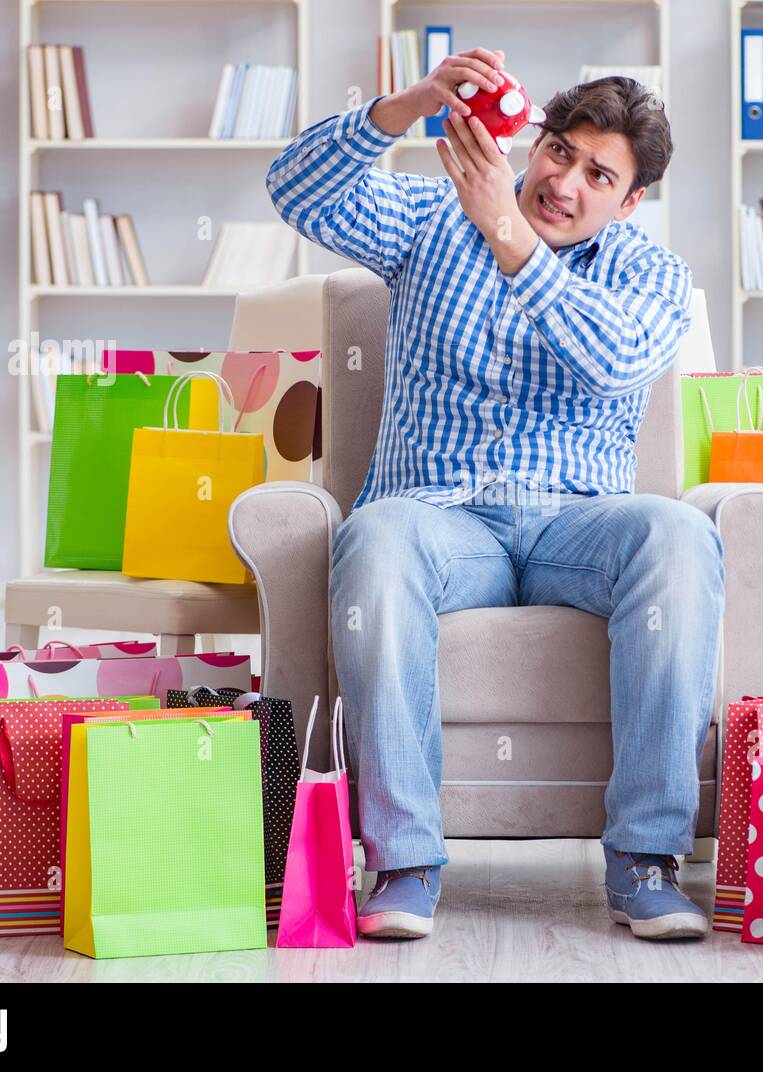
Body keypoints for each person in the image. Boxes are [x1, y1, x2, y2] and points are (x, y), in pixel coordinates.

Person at [266, 48, 723, 941]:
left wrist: (510, 243)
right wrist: (404, 107)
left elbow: (614, 360)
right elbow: (295, 191)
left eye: (600, 175)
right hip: (439, 519)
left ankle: (644, 860)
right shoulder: (434, 218)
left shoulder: (650, 274)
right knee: (377, 536)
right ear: (535, 141)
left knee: (677, 535)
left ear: (629, 202)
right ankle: (403, 860)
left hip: (581, 526)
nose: (565, 183)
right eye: (560, 151)